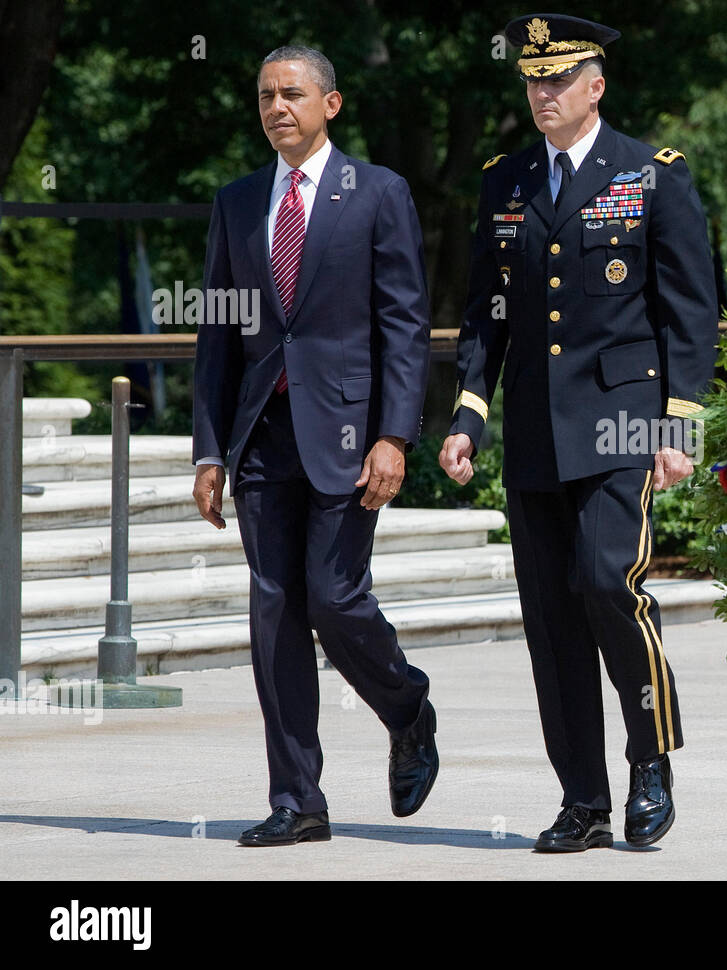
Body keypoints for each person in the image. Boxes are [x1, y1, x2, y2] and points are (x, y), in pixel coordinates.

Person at [439, 13, 718, 852]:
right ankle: (583, 800)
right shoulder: (505, 181)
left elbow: (691, 315)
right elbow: (485, 313)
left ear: (596, 87)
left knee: (606, 580)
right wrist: (467, 415)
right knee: (551, 618)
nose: (544, 93)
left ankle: (651, 758)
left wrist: (683, 431)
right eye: (534, 80)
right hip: (533, 426)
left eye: (560, 79)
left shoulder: (651, 175)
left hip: (625, 420)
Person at [192, 45, 438, 847]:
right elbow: (218, 339)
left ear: (330, 104)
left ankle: (406, 706)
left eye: (292, 93)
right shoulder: (234, 204)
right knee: (275, 613)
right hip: (262, 437)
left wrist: (395, 436)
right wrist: (207, 451)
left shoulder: (378, 192)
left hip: (346, 434)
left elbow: (404, 325)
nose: (276, 107)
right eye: (265, 94)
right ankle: (298, 799)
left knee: (334, 600)